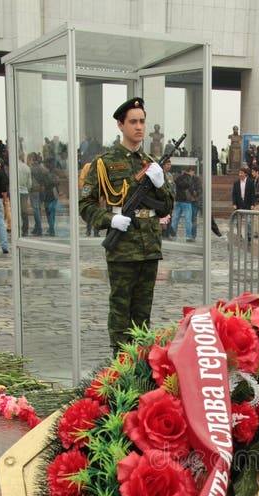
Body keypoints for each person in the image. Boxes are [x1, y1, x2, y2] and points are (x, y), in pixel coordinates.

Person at [79, 97, 173, 353]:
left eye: (142, 121)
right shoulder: (104, 163)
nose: (139, 127)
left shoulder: (151, 163)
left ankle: (139, 368)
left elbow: (166, 207)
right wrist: (110, 219)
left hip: (149, 247)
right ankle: (119, 367)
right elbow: (85, 205)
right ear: (121, 125)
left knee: (143, 315)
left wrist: (160, 183)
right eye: (133, 122)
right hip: (122, 247)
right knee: (121, 312)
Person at [170, 165, 196, 240]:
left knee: (175, 218)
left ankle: (172, 233)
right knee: (188, 219)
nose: (193, 173)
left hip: (178, 199)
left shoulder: (179, 177)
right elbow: (190, 188)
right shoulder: (189, 178)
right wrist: (193, 195)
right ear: (190, 171)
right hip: (186, 201)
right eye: (193, 172)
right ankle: (188, 236)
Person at [231, 165, 255, 241]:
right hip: (239, 204)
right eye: (239, 173)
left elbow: (253, 194)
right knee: (238, 221)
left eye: (241, 173)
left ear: (245, 174)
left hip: (248, 204)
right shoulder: (236, 183)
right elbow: (234, 194)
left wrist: (252, 204)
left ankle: (249, 235)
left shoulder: (250, 182)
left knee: (248, 221)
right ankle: (239, 234)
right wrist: (234, 203)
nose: (240, 174)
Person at [42, 158, 59, 236]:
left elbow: (46, 185)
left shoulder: (46, 176)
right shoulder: (54, 175)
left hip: (49, 196)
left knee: (49, 214)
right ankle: (51, 229)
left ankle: (51, 230)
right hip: (54, 196)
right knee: (52, 214)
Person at [17, 152, 31, 237]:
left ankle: (15, 228)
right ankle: (25, 229)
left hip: (16, 191)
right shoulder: (27, 168)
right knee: (24, 211)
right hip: (24, 191)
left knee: (15, 210)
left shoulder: (15, 167)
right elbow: (29, 183)